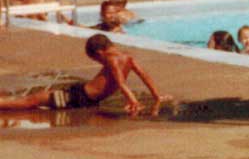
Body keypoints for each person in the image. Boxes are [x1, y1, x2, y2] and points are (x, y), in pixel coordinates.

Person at [0, 33, 166, 116]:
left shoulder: (112, 60)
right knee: (36, 99)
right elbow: (144, 76)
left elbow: (120, 82)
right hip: (82, 94)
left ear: (100, 53)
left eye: (96, 60)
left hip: (79, 96)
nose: (100, 63)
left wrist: (133, 101)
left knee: (31, 101)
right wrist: (157, 96)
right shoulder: (128, 57)